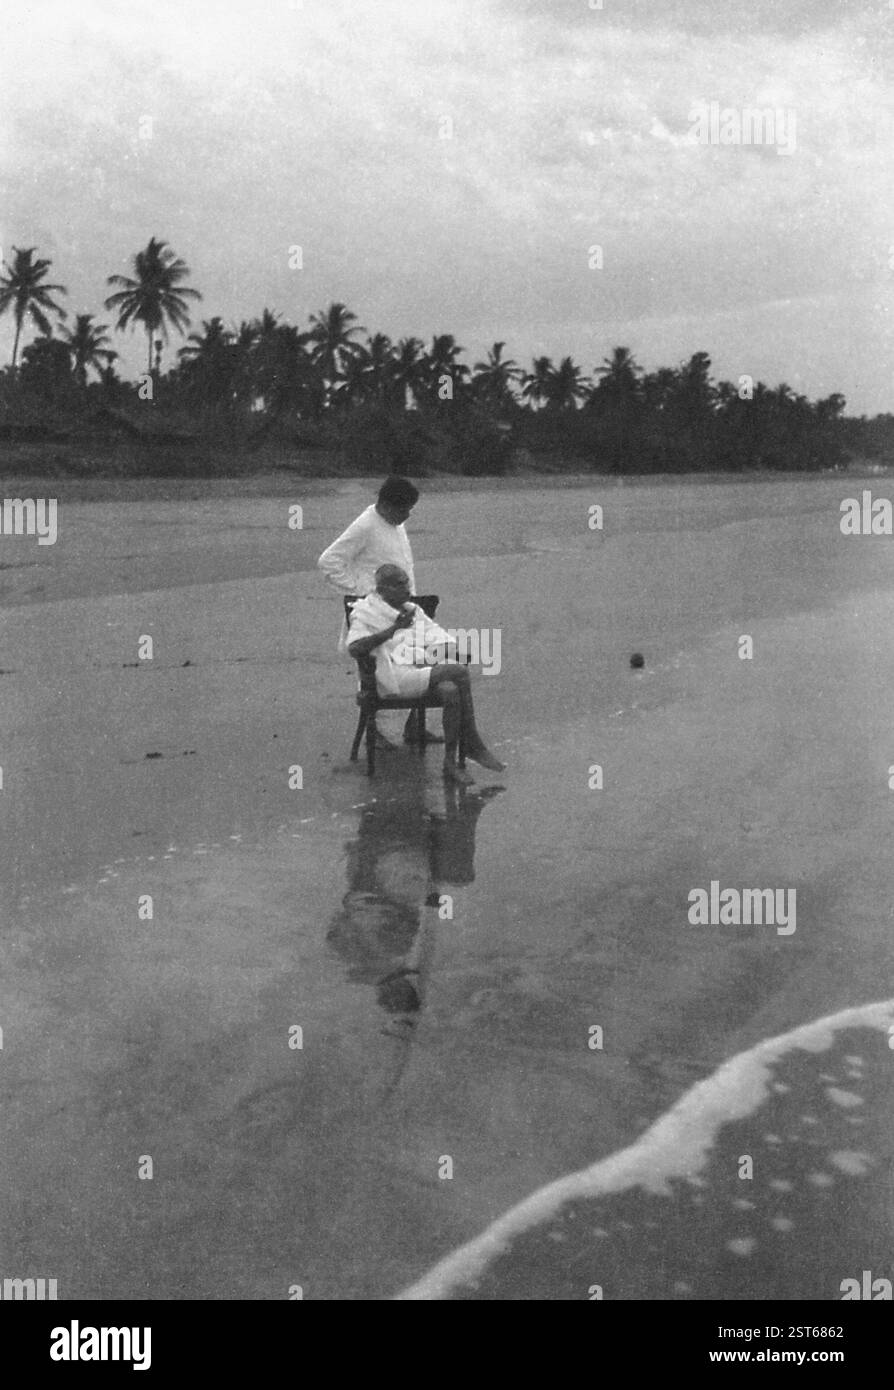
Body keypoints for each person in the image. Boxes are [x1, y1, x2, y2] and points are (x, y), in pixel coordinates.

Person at [347, 563, 505, 786]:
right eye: (400, 585)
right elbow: (354, 648)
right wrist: (392, 630)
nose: (407, 589)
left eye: (407, 583)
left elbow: (436, 635)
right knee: (458, 672)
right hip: (390, 678)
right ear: (382, 590)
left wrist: (448, 650)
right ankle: (472, 742)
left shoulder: (411, 610)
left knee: (450, 690)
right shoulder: (365, 612)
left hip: (417, 670)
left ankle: (450, 761)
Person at [318, 476, 438, 747]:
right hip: (376, 613)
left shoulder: (396, 524)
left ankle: (412, 726)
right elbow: (329, 561)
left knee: (414, 660)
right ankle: (377, 732)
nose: (407, 515)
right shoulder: (366, 525)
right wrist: (364, 592)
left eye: (409, 509)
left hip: (404, 606)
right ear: (385, 505)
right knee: (375, 669)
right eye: (403, 509)